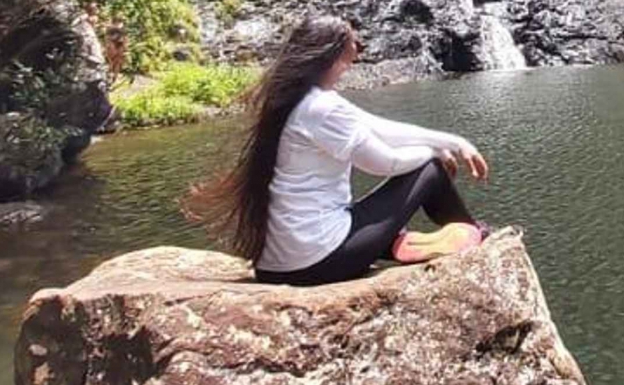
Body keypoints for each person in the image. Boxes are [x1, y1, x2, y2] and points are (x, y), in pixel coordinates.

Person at [186, 15, 490, 287]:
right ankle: (476, 235)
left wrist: (451, 142)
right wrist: (433, 154)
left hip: (276, 268)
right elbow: (385, 162)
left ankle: (395, 241)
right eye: (350, 54)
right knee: (430, 169)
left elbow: (378, 127)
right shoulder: (322, 107)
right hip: (319, 263)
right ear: (330, 57)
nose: (353, 62)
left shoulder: (294, 100)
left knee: (427, 160)